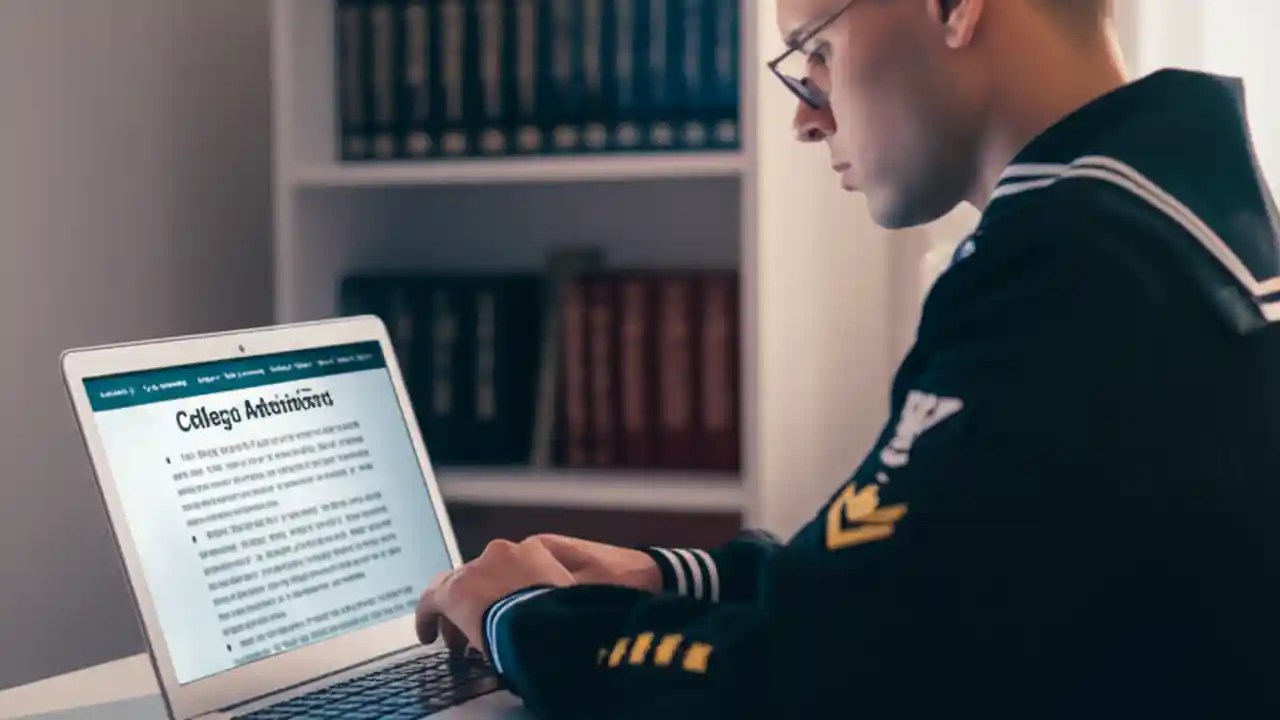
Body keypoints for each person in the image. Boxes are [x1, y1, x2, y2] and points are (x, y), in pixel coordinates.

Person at [417, 0, 1280, 716]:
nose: (805, 115)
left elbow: (809, 681)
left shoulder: (1074, 264)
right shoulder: (1168, 209)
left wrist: (521, 618)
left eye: (817, 52)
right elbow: (925, 585)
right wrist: (665, 576)